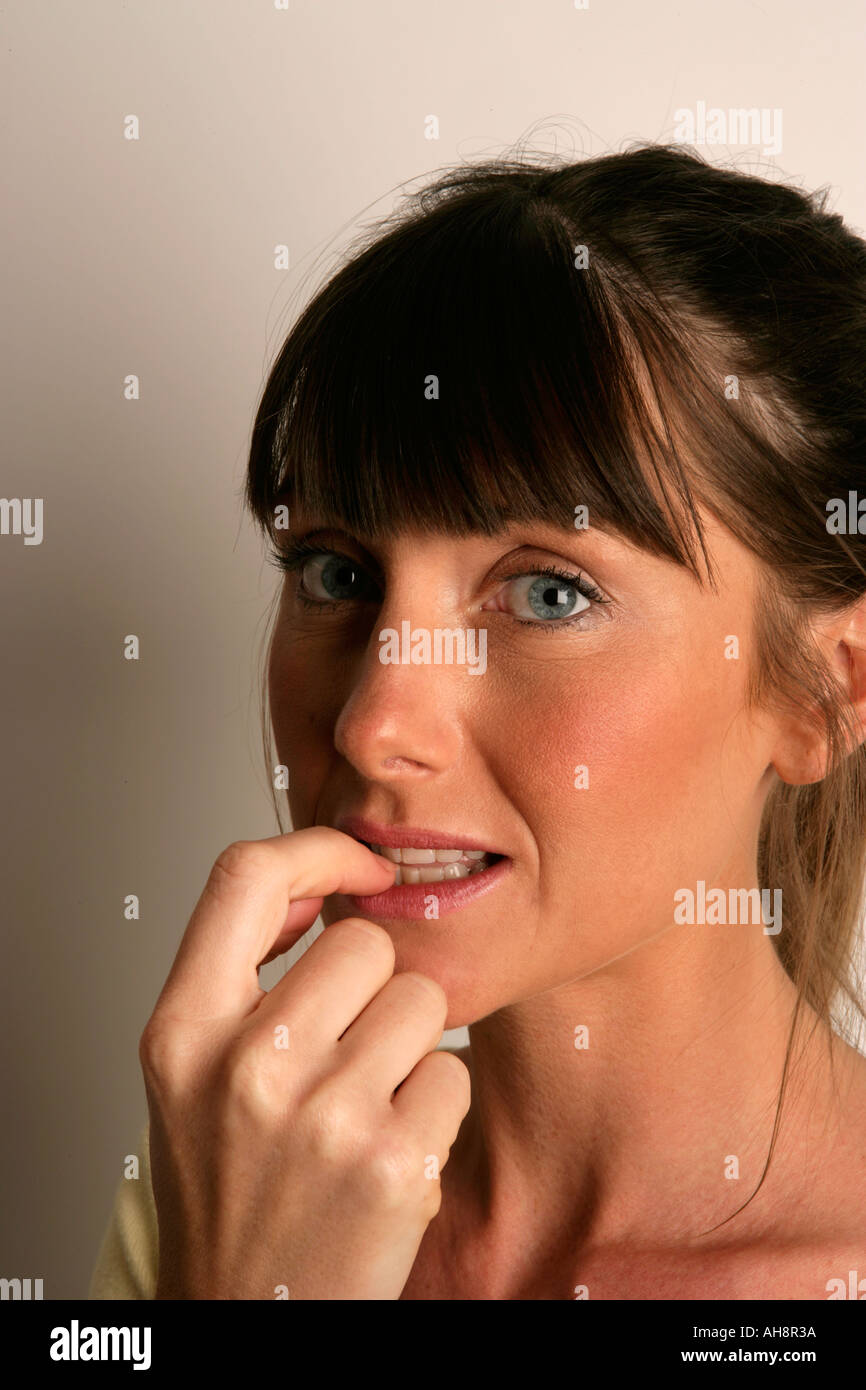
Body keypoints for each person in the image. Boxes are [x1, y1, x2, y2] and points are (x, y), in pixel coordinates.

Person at [89, 143, 866, 1300]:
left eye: (549, 592)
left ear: (825, 690)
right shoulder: (230, 1194)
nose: (371, 722)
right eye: (335, 574)